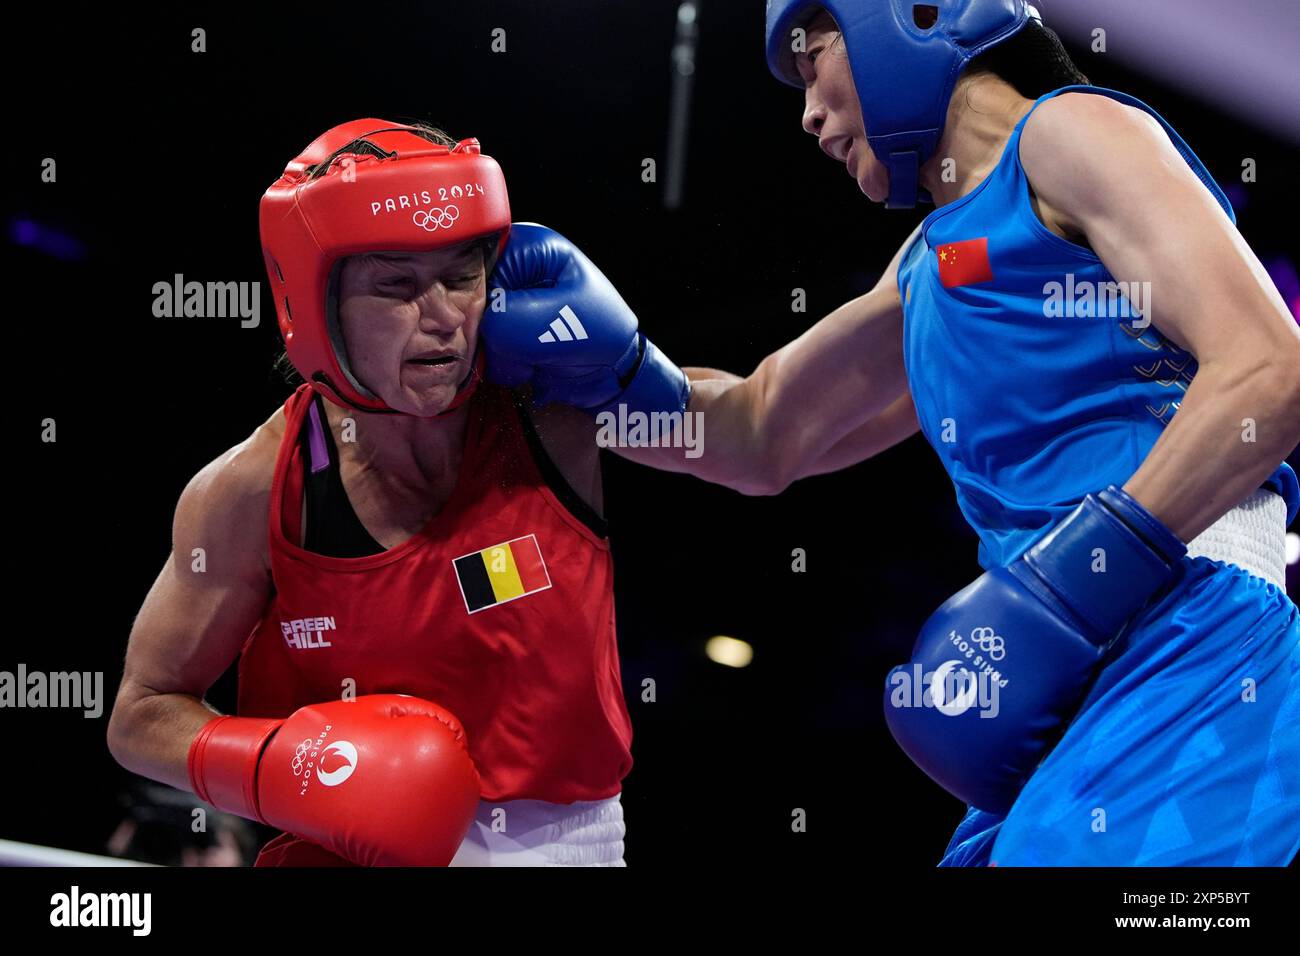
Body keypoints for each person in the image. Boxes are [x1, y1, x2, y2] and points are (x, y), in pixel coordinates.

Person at [480, 2, 1300, 865]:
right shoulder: (928, 264)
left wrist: (1070, 585)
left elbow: (1269, 371)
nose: (807, 114)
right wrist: (608, 376)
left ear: (909, 18)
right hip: (1072, 658)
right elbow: (760, 430)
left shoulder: (1069, 131)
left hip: (1189, 626)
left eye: (813, 61)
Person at [107, 120, 640, 866]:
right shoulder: (256, 488)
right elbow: (140, 716)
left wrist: (638, 366)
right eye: (396, 284)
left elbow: (755, 435)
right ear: (315, 302)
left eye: (462, 276)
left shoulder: (557, 415)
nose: (445, 317)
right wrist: (283, 768)